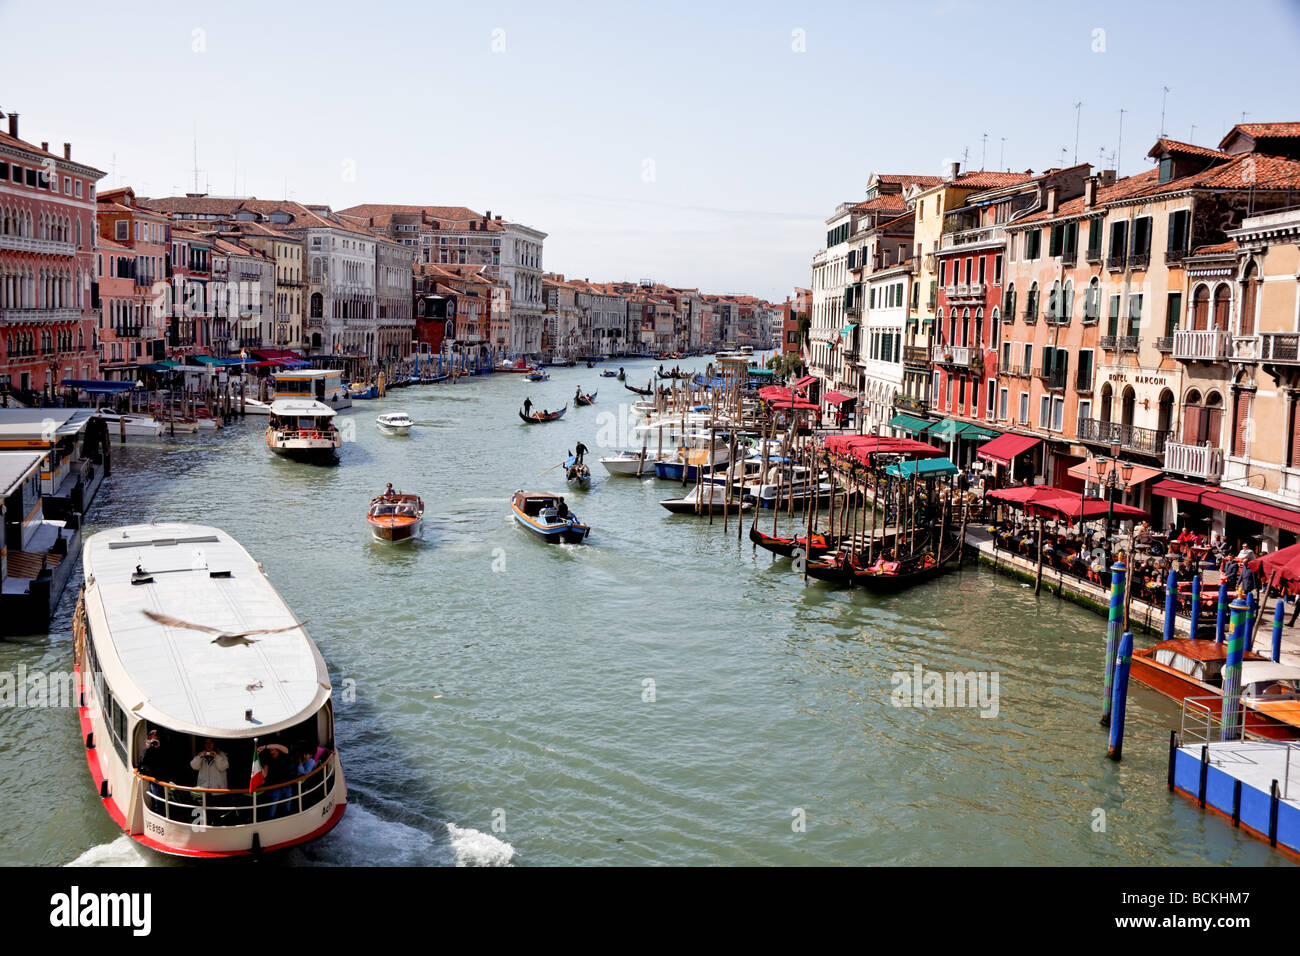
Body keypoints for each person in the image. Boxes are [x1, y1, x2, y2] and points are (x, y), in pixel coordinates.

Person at [259, 743, 292, 820]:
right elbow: (264, 775)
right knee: (271, 812)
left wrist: (265, 746)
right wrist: (258, 763)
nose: (271, 751)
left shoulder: (284, 755)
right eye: (270, 750)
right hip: (275, 788)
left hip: (287, 787)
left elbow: (282, 747)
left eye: (273, 749)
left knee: (287, 810)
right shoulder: (268, 759)